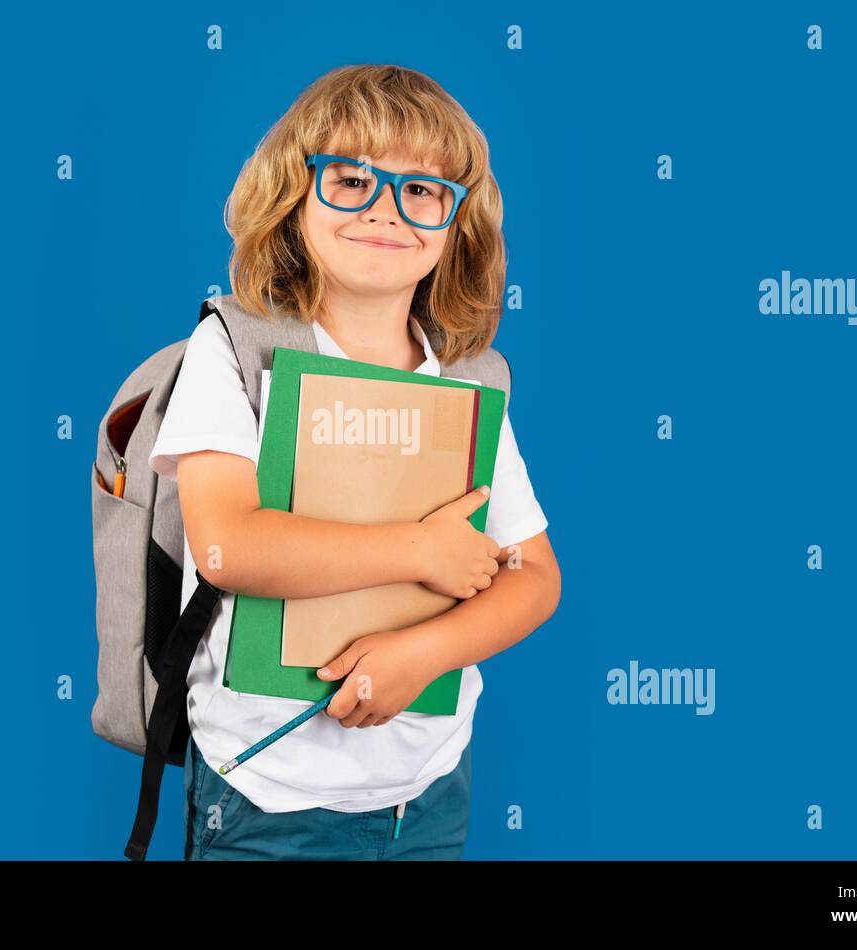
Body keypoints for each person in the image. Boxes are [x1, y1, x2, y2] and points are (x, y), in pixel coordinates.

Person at [148, 64, 561, 860]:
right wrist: (419, 550)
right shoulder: (235, 348)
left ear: (456, 221)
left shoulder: (471, 376)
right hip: (268, 792)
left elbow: (535, 577)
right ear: (293, 196)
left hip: (428, 790)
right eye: (349, 180)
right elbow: (229, 546)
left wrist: (423, 653)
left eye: (422, 191)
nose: (385, 211)